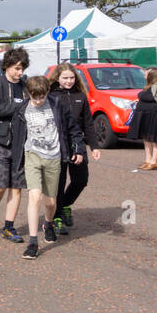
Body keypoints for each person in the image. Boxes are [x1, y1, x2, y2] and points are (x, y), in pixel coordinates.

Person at [13, 76, 85, 259]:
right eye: (34, 97)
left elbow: (73, 129)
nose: (38, 101)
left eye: (42, 97)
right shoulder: (22, 109)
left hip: (54, 158)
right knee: (34, 197)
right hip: (33, 156)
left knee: (50, 202)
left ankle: (48, 223)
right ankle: (33, 243)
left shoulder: (58, 105)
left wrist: (79, 149)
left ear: (47, 93)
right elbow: (16, 135)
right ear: (28, 94)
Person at [0, 48, 30, 242]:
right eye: (17, 68)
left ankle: (9, 227)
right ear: (8, 66)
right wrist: (21, 106)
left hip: (21, 143)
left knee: (16, 187)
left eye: (23, 68)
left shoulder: (26, 86)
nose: (20, 72)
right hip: (0, 142)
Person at [50, 63, 100, 232]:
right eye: (65, 78)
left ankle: (64, 205)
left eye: (72, 78)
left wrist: (94, 146)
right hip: (59, 145)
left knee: (81, 180)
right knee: (59, 182)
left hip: (77, 144)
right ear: (57, 78)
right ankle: (56, 217)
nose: (69, 81)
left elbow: (88, 123)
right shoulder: (51, 96)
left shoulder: (80, 96)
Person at [128, 68, 157, 170]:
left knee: (155, 138)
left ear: (152, 76)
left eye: (146, 74)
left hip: (154, 114)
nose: (144, 76)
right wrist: (139, 101)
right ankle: (148, 160)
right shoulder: (147, 86)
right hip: (144, 114)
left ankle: (154, 161)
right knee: (146, 138)